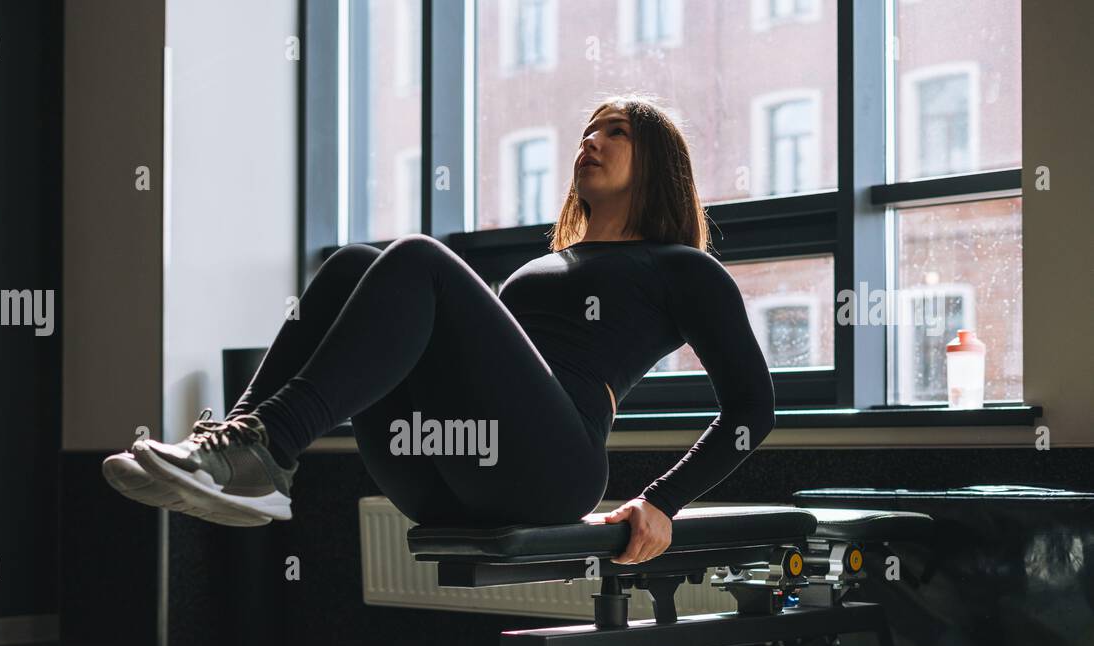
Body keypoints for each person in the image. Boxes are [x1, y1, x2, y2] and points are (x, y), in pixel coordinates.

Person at [104, 95, 775, 565]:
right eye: (587, 131)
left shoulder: (680, 268)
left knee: (417, 256)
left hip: (549, 469)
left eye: (616, 132)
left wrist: (662, 502)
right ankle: (246, 452)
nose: (589, 142)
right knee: (350, 268)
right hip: (441, 475)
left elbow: (753, 407)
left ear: (657, 162)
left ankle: (264, 449)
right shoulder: (544, 265)